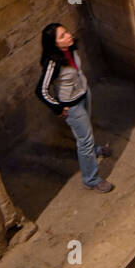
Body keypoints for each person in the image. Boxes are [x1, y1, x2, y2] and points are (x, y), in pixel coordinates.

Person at [37, 22, 114, 192]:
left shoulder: (70, 49)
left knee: (87, 132)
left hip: (84, 94)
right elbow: (41, 90)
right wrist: (58, 107)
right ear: (55, 44)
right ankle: (91, 179)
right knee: (84, 140)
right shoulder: (52, 63)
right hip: (72, 105)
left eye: (67, 32)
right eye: (62, 35)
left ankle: (95, 150)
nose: (69, 35)